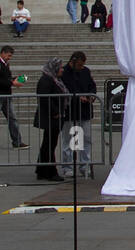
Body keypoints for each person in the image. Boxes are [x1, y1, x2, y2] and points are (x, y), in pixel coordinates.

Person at [0, 45, 28, 150]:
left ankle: (17, 141)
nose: (9, 57)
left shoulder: (6, 64)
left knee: (12, 118)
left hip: (7, 95)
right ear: (3, 53)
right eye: (8, 55)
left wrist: (15, 80)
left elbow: (5, 79)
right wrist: (12, 82)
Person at [61, 50, 98, 178]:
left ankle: (85, 165)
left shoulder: (85, 71)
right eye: (79, 65)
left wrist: (91, 96)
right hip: (70, 110)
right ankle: (67, 166)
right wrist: (77, 97)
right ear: (73, 62)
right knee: (69, 140)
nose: (81, 67)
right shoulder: (64, 72)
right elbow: (64, 89)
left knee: (86, 138)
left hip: (84, 110)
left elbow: (92, 86)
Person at [34, 56, 69, 181]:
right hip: (51, 117)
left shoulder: (54, 79)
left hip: (55, 117)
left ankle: (42, 170)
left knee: (48, 144)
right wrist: (55, 112)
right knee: (49, 144)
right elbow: (44, 98)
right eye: (60, 67)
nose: (62, 69)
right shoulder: (46, 80)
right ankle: (50, 171)